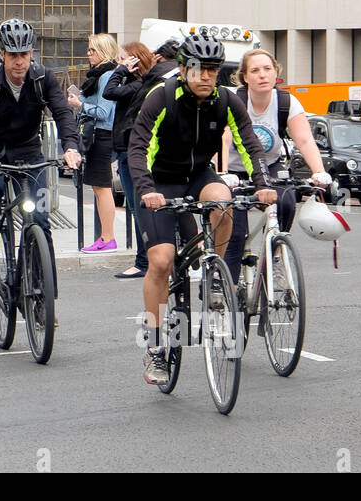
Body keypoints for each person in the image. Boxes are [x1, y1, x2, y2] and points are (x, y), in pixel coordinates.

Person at [129, 32, 276, 386]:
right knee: (162, 261)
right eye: (198, 69)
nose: (206, 76)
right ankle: (154, 348)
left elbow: (249, 142)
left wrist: (263, 183)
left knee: (222, 200)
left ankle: (215, 278)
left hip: (197, 174)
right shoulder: (161, 98)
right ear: (183, 70)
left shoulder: (225, 101)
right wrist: (147, 190)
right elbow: (138, 148)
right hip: (158, 183)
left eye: (212, 69)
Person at [0, 20, 82, 276]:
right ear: (2, 54)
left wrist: (70, 147)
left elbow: (63, 114)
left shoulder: (43, 79)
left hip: (28, 152)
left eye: (24, 54)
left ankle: (44, 300)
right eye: (13, 55)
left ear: (32, 53)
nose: (19, 62)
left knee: (41, 220)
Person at [219, 49, 332, 284]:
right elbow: (224, 137)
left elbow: (304, 139)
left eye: (267, 69)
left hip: (268, 165)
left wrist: (319, 171)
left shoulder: (286, 102)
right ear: (245, 77)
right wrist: (222, 173)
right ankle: (225, 286)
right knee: (236, 232)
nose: (262, 75)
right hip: (233, 170)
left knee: (287, 200)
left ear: (276, 73)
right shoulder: (234, 100)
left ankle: (275, 257)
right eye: (255, 70)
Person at [103, 39, 176, 279]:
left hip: (131, 151)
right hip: (124, 150)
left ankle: (144, 262)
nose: (119, 63)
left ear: (135, 60)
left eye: (124, 58)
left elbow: (109, 92)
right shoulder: (138, 84)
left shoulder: (138, 85)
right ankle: (147, 260)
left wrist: (120, 72)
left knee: (139, 208)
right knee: (137, 207)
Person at [68, 33, 119, 252]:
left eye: (93, 50)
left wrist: (80, 105)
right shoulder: (101, 74)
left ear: (104, 51)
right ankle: (105, 237)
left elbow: (105, 112)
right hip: (99, 135)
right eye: (88, 50)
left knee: (102, 188)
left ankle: (108, 238)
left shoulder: (107, 75)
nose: (88, 54)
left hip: (102, 135)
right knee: (99, 188)